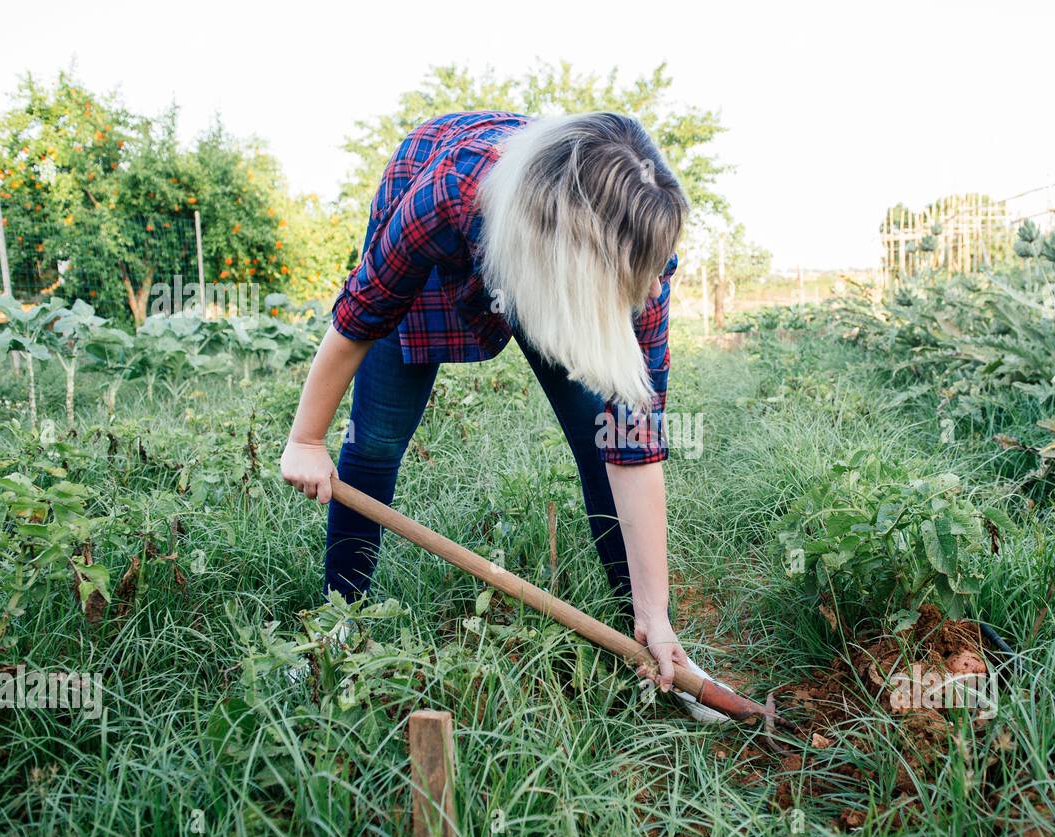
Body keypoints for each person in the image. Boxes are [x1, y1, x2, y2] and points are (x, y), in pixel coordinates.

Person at [279, 111, 728, 720]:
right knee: (377, 439)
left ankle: (647, 640)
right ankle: (336, 628)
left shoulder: (639, 250)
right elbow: (361, 315)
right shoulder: (446, 189)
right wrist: (306, 438)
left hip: (559, 259)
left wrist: (658, 609)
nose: (652, 295)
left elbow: (632, 438)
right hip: (448, 253)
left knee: (599, 440)